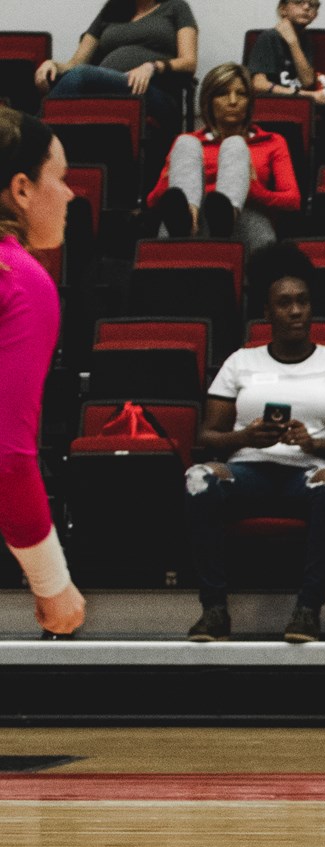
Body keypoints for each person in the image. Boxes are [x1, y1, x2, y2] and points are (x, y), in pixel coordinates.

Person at [185, 245, 325, 643]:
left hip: (308, 473)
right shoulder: (240, 362)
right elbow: (207, 436)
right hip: (250, 470)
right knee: (199, 477)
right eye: (285, 304)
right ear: (267, 313)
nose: (296, 311)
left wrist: (315, 441)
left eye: (302, 302)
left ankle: (308, 609)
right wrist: (246, 437)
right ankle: (214, 610)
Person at [0, 108, 84, 637]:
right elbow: (7, 456)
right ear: (23, 189)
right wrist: (53, 585)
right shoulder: (22, 280)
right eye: (62, 177)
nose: (72, 194)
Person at [144, 63, 297, 254]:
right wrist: (167, 182)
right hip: (190, 226)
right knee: (185, 143)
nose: (233, 101)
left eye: (241, 94)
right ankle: (187, 222)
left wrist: (255, 190)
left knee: (235, 145)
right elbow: (152, 202)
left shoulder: (272, 141)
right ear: (209, 101)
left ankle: (226, 218)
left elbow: (293, 199)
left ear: (250, 102)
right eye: (223, 94)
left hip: (245, 221)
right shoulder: (189, 143)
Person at [37, 0, 199, 138]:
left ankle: (32, 130)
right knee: (79, 74)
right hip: (107, 88)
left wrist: (153, 66)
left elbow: (189, 62)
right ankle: (36, 132)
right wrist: (53, 65)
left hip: (152, 92)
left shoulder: (176, 7)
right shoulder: (110, 13)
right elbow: (75, 63)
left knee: (82, 75)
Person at [247, 0, 325, 107]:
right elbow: (258, 84)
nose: (307, 7)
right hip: (274, 104)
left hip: (301, 105)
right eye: (298, 2)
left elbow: (307, 82)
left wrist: (293, 42)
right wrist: (306, 95)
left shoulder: (306, 39)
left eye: (312, 5)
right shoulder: (268, 37)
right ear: (283, 9)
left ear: (315, 15)